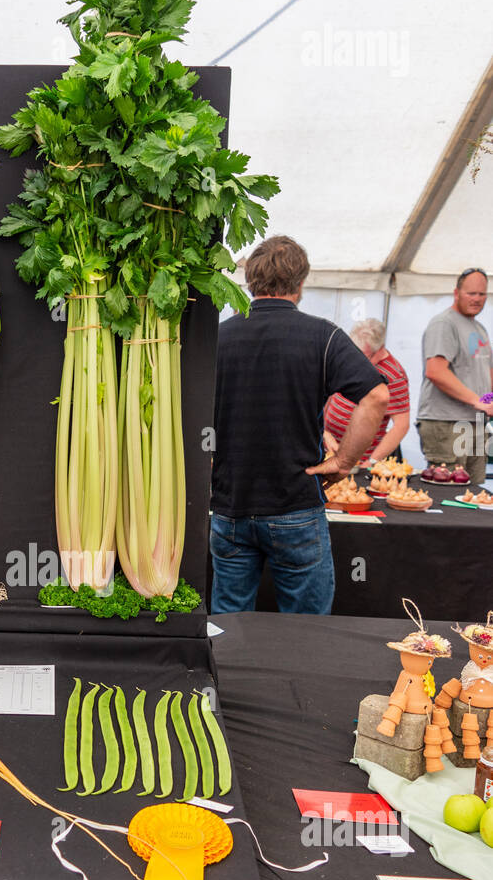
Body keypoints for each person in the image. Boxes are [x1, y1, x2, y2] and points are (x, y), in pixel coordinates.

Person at [209, 235, 390, 615]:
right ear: (301, 282)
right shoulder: (322, 336)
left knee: (227, 631)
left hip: (230, 507)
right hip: (295, 507)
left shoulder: (218, 337)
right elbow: (377, 396)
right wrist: (343, 462)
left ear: (250, 280)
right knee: (307, 634)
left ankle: (228, 677)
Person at [417, 268, 493, 488]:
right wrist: (477, 401)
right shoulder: (444, 323)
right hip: (446, 423)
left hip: (475, 423)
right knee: (448, 494)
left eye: (482, 294)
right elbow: (436, 371)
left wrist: (487, 402)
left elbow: (486, 375)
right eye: (471, 293)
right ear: (456, 293)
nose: (477, 299)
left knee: (475, 496)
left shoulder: (479, 328)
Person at [323, 319, 410, 465]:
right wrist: (323, 431)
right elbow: (332, 394)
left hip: (358, 461)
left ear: (380, 349)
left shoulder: (394, 375)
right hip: (328, 449)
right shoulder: (348, 359)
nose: (355, 360)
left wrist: (371, 461)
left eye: (363, 355)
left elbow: (401, 425)